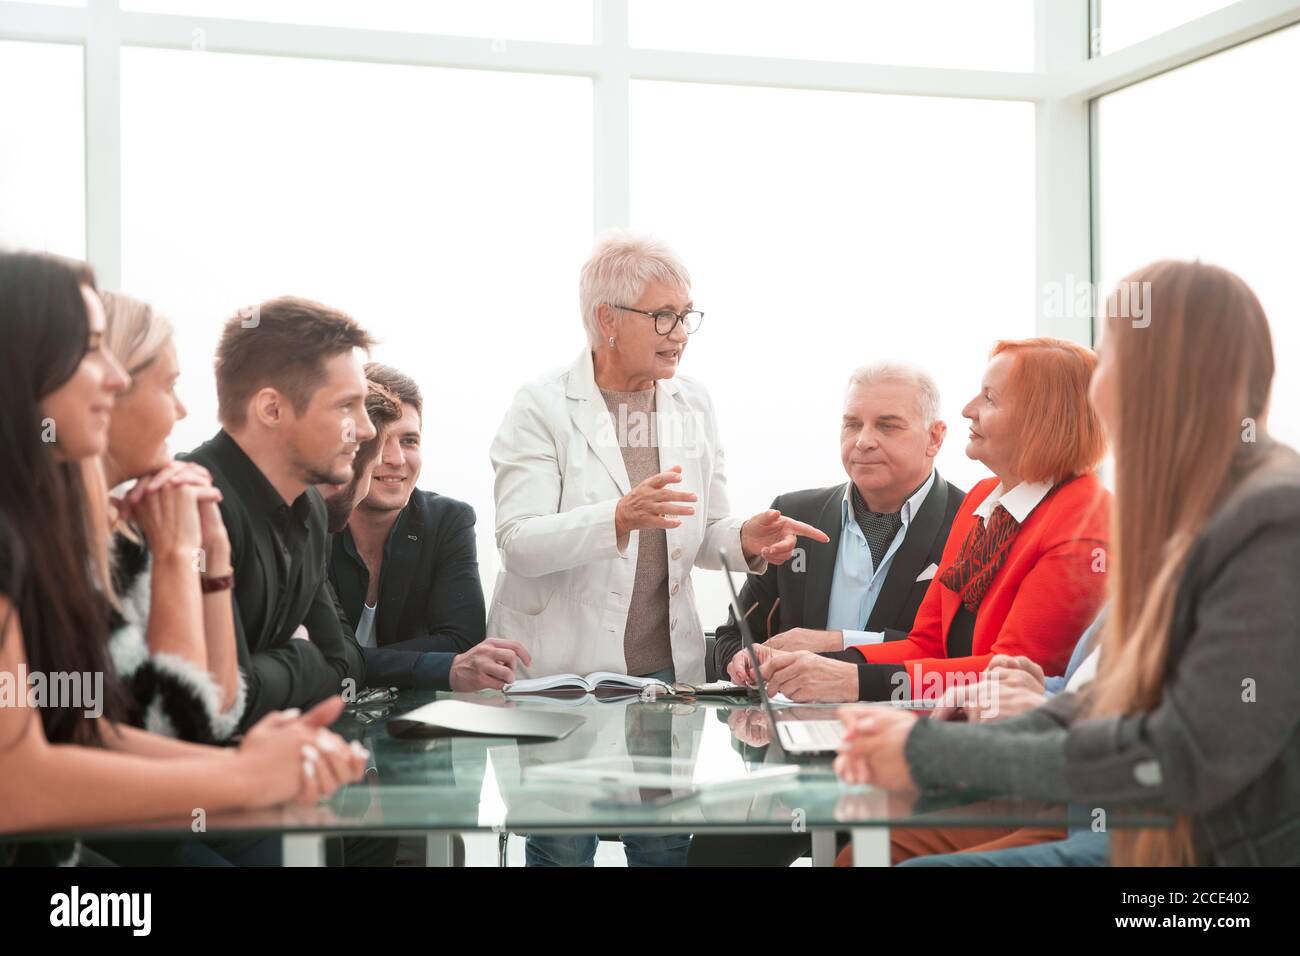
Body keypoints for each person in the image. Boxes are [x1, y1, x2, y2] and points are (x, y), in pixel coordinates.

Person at [835, 261, 1300, 866]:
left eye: (1110, 362)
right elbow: (1099, 701)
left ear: (1159, 377)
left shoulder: (1270, 517)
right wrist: (917, 737)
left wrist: (925, 750)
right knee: (860, 855)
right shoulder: (1202, 507)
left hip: (1191, 860)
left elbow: (1184, 754)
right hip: (1132, 822)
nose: (1096, 387)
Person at [0, 252, 365, 866]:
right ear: (24, 367)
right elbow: (16, 783)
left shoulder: (44, 536)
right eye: (91, 350)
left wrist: (245, 765)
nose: (112, 381)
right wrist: (245, 776)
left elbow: (84, 729)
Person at [488, 229, 829, 867]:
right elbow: (518, 542)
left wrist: (745, 540)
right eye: (664, 316)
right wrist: (617, 516)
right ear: (606, 321)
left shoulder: (691, 402)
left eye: (685, 315)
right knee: (563, 844)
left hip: (662, 675)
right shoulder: (540, 406)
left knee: (665, 842)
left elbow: (704, 534)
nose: (680, 331)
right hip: (567, 673)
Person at [691, 361, 965, 867]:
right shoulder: (795, 513)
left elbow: (957, 656)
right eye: (851, 423)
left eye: (887, 425)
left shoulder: (970, 526)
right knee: (714, 851)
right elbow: (734, 635)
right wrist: (744, 662)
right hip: (793, 762)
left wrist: (835, 641)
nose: (862, 441)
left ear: (935, 437)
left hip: (907, 771)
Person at [755, 337, 1110, 703]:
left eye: (989, 398)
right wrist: (821, 667)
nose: (968, 409)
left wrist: (854, 681)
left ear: (1045, 416)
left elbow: (1009, 680)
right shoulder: (983, 499)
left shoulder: (1085, 524)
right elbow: (927, 644)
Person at [180, 296, 374, 729]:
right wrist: (303, 660)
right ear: (271, 409)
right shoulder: (193, 505)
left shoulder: (314, 512)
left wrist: (268, 669)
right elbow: (213, 703)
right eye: (346, 405)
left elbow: (345, 670)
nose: (366, 428)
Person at [97, 291, 244, 743]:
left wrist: (214, 556)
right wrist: (177, 555)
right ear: (109, 391)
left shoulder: (122, 538)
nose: (182, 411)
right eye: (169, 386)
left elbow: (218, 710)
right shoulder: (42, 546)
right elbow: (177, 727)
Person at [327, 364, 523, 692]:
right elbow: (316, 658)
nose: (396, 458)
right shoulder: (311, 524)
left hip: (416, 725)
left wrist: (353, 661)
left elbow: (463, 641)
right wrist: (431, 663)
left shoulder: (449, 520)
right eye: (379, 440)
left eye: (409, 440)